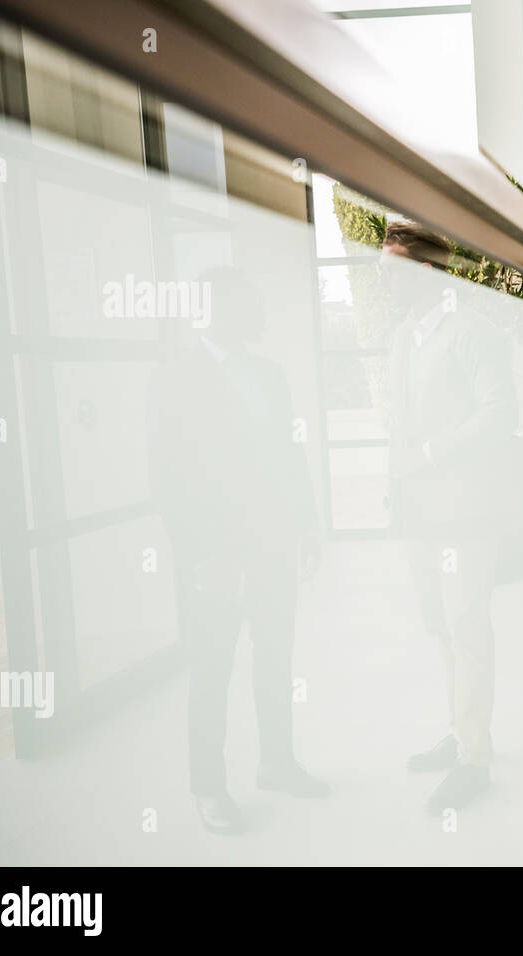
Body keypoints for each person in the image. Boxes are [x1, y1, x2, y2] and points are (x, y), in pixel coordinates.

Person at [147, 266, 328, 836]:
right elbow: (167, 477)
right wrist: (200, 557)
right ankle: (208, 787)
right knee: (213, 668)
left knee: (274, 653)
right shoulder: (174, 378)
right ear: (219, 309)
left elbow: (291, 454)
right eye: (251, 305)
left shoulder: (270, 374)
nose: (261, 315)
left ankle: (276, 761)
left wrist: (308, 524)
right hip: (215, 555)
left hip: (273, 542)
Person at [379, 221, 519, 815]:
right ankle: (461, 732)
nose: (385, 280)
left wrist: (431, 454)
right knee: (439, 622)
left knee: (467, 626)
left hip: (466, 511)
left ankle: (475, 760)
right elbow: (398, 423)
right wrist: (396, 485)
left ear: (428, 270)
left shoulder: (472, 332)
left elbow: (499, 411)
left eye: (393, 269)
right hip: (419, 510)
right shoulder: (400, 338)